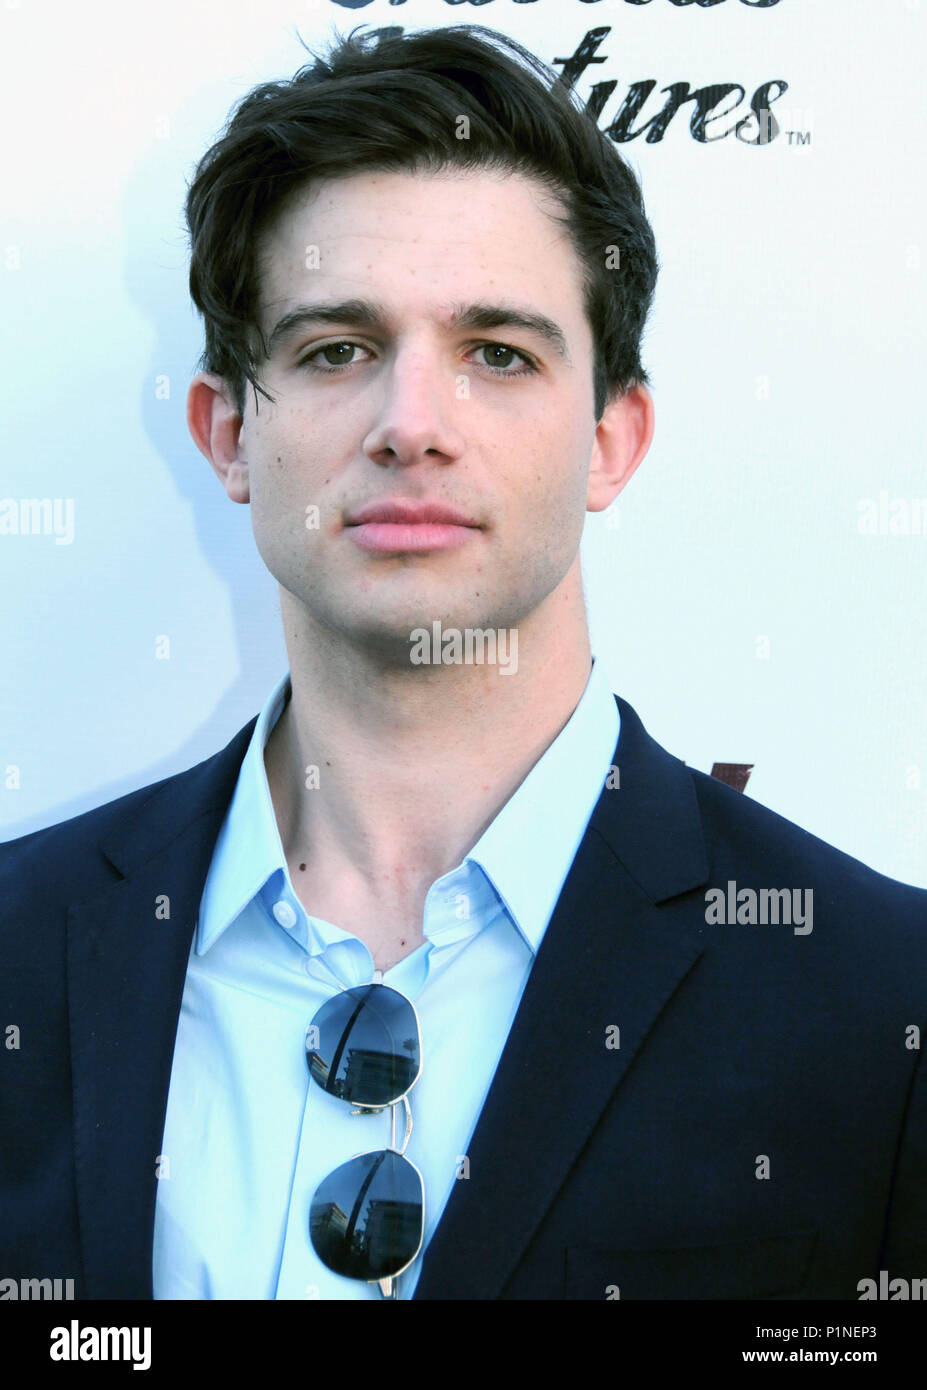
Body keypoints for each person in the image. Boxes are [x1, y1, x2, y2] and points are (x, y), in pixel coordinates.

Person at [1, 23, 925, 1303]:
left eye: (498, 353)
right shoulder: (17, 947)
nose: (411, 426)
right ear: (226, 433)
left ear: (612, 438)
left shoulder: (883, 1001)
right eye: (336, 350)